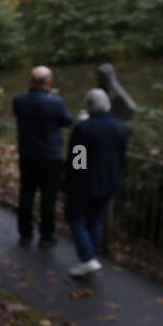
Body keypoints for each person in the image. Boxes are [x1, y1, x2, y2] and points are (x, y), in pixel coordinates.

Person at [63, 88, 128, 277]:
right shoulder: (118, 127)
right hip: (109, 182)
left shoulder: (83, 128)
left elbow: (77, 160)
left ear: (88, 106)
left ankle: (87, 258)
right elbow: (121, 157)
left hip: (85, 183)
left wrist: (70, 181)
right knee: (95, 219)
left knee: (74, 217)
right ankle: (91, 256)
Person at [12, 65, 72, 246]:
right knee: (48, 198)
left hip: (27, 155)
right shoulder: (55, 103)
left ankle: (25, 233)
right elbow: (67, 121)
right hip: (50, 158)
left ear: (30, 81)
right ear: (48, 82)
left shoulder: (19, 100)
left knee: (26, 195)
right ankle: (46, 236)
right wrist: (53, 97)